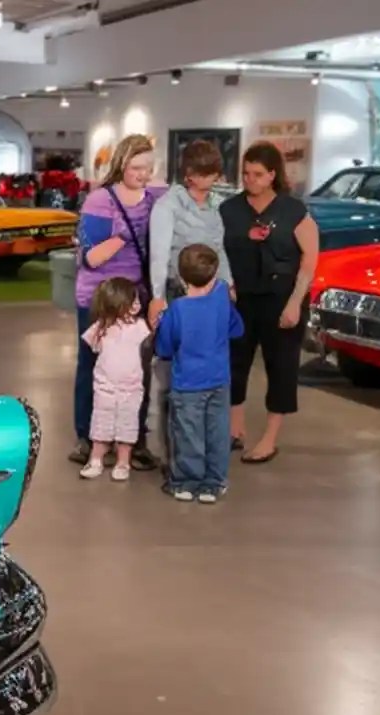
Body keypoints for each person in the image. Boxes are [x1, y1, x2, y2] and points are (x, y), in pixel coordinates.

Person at [221, 142, 320, 463]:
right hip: (241, 299)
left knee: (281, 368)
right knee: (235, 364)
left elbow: (309, 259)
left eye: (258, 174)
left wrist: (295, 302)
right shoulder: (230, 210)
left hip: (281, 300)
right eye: (246, 173)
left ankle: (270, 438)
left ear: (273, 175)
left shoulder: (294, 211)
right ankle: (235, 430)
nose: (250, 180)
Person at [70, 133, 164, 471]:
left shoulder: (155, 198)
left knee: (137, 370)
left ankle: (133, 438)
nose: (144, 174)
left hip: (136, 296)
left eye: (149, 167)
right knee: (93, 366)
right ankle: (88, 437)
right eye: (137, 167)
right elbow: (92, 257)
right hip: (100, 297)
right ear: (122, 163)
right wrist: (124, 235)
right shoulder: (100, 201)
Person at [146, 139, 233, 477]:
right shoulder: (168, 206)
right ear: (190, 175)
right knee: (171, 379)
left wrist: (228, 285)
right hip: (176, 293)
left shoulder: (213, 206)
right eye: (207, 175)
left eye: (215, 174)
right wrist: (157, 297)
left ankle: (202, 457)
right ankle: (169, 453)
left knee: (204, 378)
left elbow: (219, 249)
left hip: (211, 297)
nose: (213, 180)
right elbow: (159, 253)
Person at [153, 244, 244, 503]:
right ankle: (213, 483)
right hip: (219, 380)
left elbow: (165, 348)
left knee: (188, 433)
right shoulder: (221, 300)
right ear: (214, 276)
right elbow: (237, 329)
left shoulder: (177, 310)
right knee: (217, 432)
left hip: (187, 384)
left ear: (181, 279)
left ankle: (185, 482)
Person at [79, 277, 153, 481]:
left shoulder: (140, 327)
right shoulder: (100, 328)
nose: (137, 305)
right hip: (105, 387)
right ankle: (96, 459)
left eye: (138, 300)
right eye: (132, 300)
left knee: (127, 426)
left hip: (131, 388)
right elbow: (92, 347)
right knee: (101, 423)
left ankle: (123, 462)